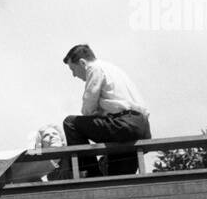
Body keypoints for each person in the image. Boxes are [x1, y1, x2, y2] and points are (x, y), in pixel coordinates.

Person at [61, 44, 151, 177]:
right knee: (118, 179)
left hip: (125, 124)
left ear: (82, 63)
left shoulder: (94, 68)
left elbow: (88, 106)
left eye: (73, 69)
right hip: (141, 127)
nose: (74, 75)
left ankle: (91, 174)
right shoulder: (114, 69)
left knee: (71, 123)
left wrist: (94, 113)